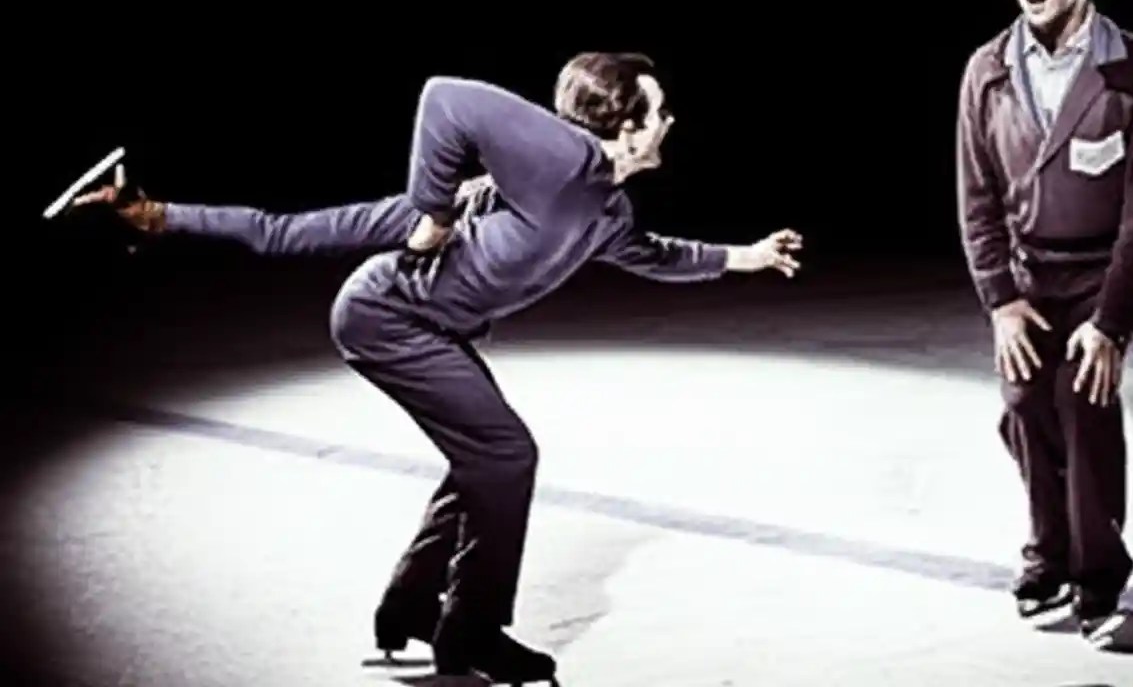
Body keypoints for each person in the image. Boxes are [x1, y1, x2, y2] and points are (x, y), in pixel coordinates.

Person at [70, 51, 803, 681]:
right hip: (388, 317)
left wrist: (748, 255)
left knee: (483, 460)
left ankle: (414, 606)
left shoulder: (603, 209)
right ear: (625, 125)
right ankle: (471, 633)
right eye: (659, 110)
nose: (670, 120)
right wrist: (432, 214)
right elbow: (444, 97)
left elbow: (656, 255)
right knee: (507, 454)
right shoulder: (563, 160)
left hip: (427, 327)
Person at [956, 0, 1133, 637]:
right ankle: (1051, 550)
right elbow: (977, 201)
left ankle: (1093, 571)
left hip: (1107, 273)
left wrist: (1111, 324)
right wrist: (1001, 301)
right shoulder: (987, 69)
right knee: (1025, 402)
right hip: (1029, 275)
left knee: (1082, 403)